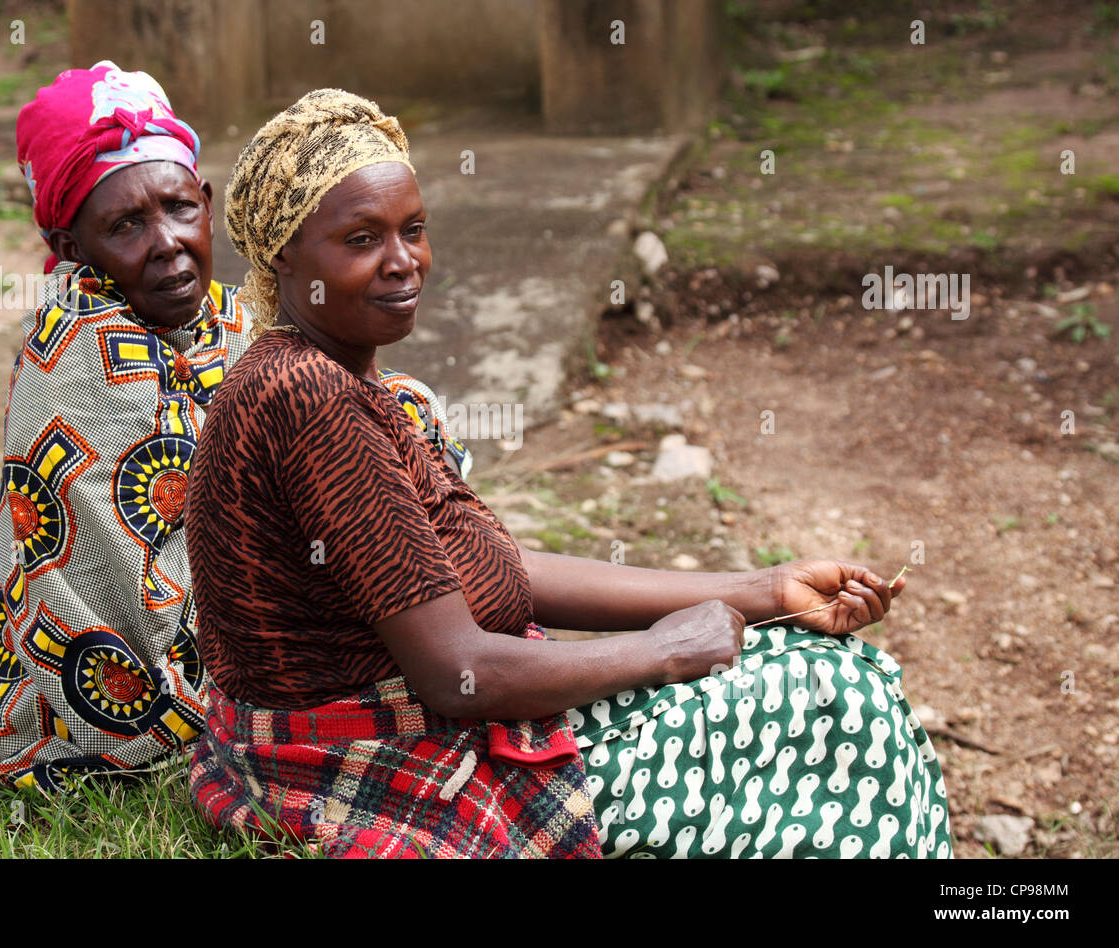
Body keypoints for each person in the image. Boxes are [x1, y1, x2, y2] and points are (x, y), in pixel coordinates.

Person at [187, 89, 953, 859]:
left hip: (441, 723)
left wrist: (759, 591)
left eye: (413, 231)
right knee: (839, 698)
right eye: (361, 240)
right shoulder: (305, 397)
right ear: (284, 254)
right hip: (387, 761)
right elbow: (460, 673)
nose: (403, 261)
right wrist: (661, 651)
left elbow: (492, 570)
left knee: (830, 665)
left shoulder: (338, 380)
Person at [0, 65, 466, 799]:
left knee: (402, 409)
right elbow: (124, 604)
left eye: (179, 209)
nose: (167, 244)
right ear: (70, 245)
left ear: (208, 205)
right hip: (112, 711)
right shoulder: (79, 361)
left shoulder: (225, 320)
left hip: (234, 618)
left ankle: (443, 632)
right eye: (126, 225)